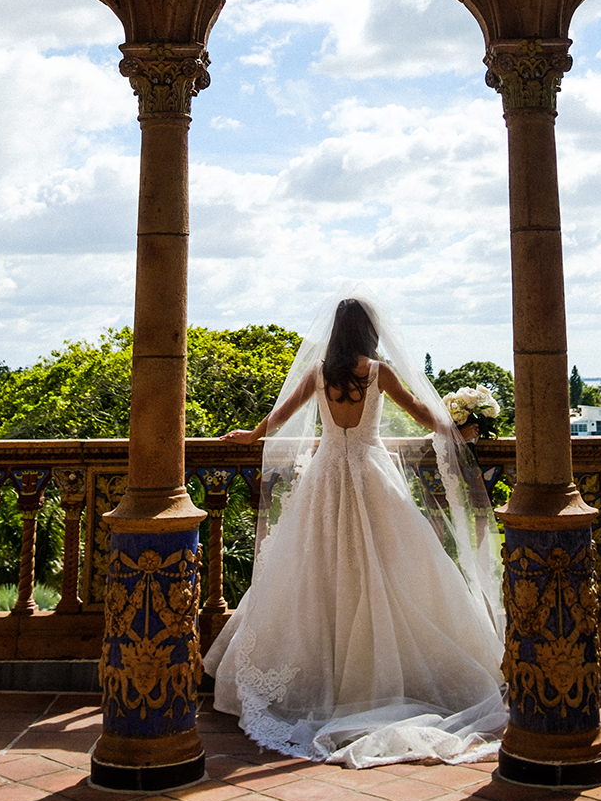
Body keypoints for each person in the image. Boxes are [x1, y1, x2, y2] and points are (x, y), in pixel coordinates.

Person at [203, 290, 507, 768]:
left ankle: (319, 681)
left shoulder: (318, 374)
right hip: (369, 472)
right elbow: (422, 415)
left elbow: (279, 420)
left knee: (316, 570)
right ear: (369, 330)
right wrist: (458, 427)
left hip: (325, 474)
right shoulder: (378, 372)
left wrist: (250, 435)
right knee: (389, 567)